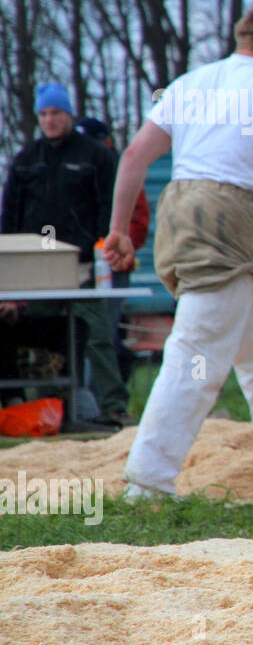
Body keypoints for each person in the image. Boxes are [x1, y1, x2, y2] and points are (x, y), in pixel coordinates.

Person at [103, 0, 253, 499]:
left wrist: (118, 229)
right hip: (229, 215)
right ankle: (149, 478)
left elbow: (135, 155)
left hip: (180, 206)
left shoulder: (189, 83)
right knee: (196, 348)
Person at [1, 83, 125, 426]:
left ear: (69, 114)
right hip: (35, 270)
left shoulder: (96, 156)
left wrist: (100, 248)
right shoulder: (26, 160)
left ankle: (114, 406)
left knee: (97, 335)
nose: (49, 120)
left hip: (81, 266)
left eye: (56, 112)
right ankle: (45, 410)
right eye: (43, 114)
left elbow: (108, 208)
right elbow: (10, 215)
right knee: (42, 340)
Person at [77, 116, 151, 406]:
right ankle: (79, 400)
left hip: (112, 266)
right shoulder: (80, 173)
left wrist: (118, 247)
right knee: (81, 333)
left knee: (105, 333)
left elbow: (140, 221)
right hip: (81, 265)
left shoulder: (122, 171)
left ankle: (104, 401)